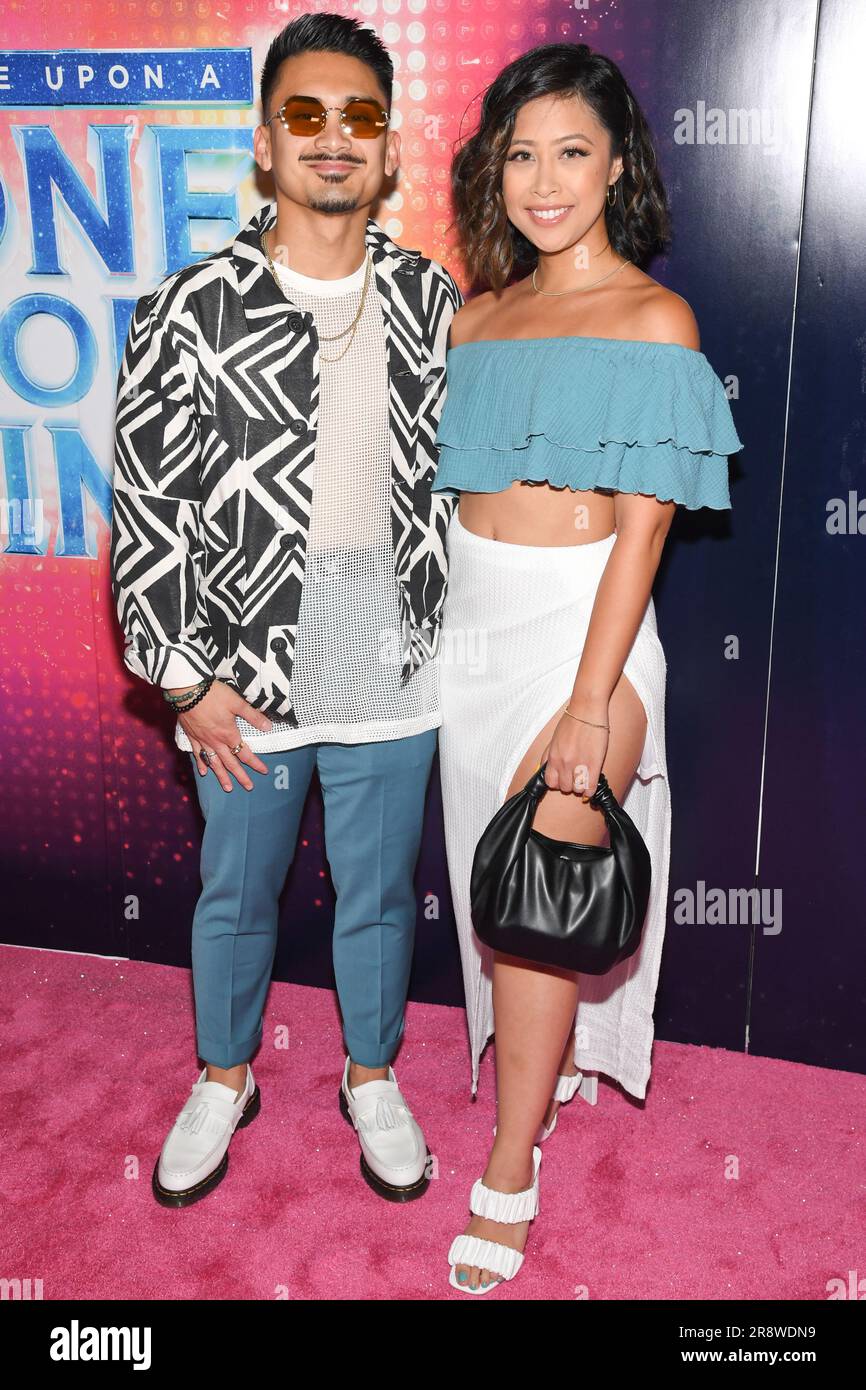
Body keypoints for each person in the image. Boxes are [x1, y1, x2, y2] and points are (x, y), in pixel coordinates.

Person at [109, 13, 462, 1207]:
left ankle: (372, 1074)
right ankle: (225, 1075)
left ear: (389, 148)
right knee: (236, 891)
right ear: (264, 143)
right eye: (304, 113)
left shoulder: (426, 298)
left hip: (389, 655)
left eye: (359, 116)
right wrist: (182, 678)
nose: (332, 136)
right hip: (239, 665)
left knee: (378, 893)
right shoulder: (189, 308)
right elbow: (148, 505)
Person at [431, 43, 743, 1291]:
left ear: (618, 167)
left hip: (584, 635)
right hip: (471, 633)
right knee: (504, 895)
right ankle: (544, 1064)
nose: (544, 180)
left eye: (572, 151)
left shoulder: (653, 320)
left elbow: (643, 532)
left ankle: (509, 1165)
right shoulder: (476, 317)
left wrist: (588, 697)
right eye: (521, 154)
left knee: (535, 915)